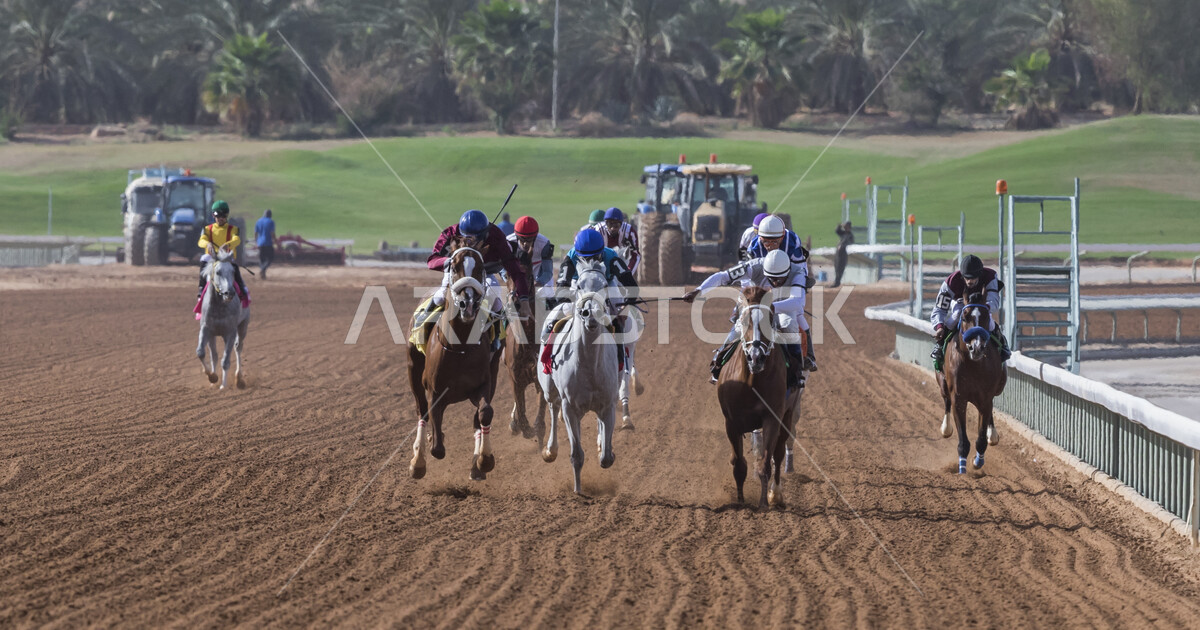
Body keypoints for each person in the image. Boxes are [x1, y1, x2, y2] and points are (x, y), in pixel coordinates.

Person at [682, 250, 810, 388]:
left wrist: (769, 307)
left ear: (788, 271)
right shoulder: (753, 266)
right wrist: (699, 290)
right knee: (739, 328)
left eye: (779, 279)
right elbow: (722, 277)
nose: (775, 282)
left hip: (783, 307)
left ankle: (797, 371)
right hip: (755, 306)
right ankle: (718, 362)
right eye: (771, 278)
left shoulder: (798, 272)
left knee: (790, 325)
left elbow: (797, 303)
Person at [418, 210, 532, 349]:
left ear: (485, 234)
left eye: (474, 239)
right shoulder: (450, 233)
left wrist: (524, 298)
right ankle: (423, 320)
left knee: (495, 298)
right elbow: (432, 260)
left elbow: (514, 270)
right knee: (442, 295)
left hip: (482, 272)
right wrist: (451, 261)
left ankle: (495, 335)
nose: (469, 242)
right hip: (456, 271)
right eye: (466, 238)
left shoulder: (496, 236)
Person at [541, 229, 639, 373]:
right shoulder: (571, 257)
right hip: (579, 285)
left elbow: (631, 284)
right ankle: (548, 336)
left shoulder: (611, 256)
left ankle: (620, 355)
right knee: (564, 309)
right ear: (578, 254)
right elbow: (562, 289)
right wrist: (578, 298)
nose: (590, 261)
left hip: (606, 284)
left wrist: (626, 302)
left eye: (595, 257)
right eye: (585, 258)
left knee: (617, 313)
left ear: (602, 251)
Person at [745, 215, 817, 371]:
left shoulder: (792, 242)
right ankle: (720, 359)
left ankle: (806, 357)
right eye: (766, 240)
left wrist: (802, 282)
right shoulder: (753, 246)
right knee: (742, 318)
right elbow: (751, 275)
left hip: (788, 278)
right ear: (759, 236)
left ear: (782, 235)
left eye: (775, 240)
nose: (770, 245)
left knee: (796, 315)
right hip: (764, 280)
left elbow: (799, 268)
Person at [930, 254, 1011, 364]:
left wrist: (983, 308)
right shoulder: (950, 282)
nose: (969, 281)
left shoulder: (990, 276)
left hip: (982, 303)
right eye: (967, 277)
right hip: (960, 302)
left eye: (973, 278)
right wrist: (939, 326)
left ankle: (1002, 343)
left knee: (988, 319)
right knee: (957, 314)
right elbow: (939, 308)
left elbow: (994, 302)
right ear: (962, 275)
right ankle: (940, 345)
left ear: (980, 274)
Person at [196, 200, 250, 310]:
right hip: (213, 260)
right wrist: (208, 244)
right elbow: (201, 241)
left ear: (227, 215)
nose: (221, 218)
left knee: (235, 273)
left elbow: (237, 240)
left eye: (223, 215)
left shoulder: (233, 229)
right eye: (218, 215)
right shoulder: (207, 229)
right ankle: (201, 289)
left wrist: (228, 244)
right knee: (204, 258)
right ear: (213, 215)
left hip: (227, 259)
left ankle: (242, 292)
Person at [507, 216, 555, 289]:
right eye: (522, 239)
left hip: (540, 277)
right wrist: (511, 280)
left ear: (535, 237)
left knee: (546, 294)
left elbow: (547, 272)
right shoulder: (508, 243)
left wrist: (537, 284)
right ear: (517, 236)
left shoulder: (544, 244)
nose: (525, 244)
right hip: (516, 275)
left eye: (529, 239)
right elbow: (503, 268)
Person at [593, 207, 641, 274]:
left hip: (621, 260)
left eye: (616, 225)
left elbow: (635, 255)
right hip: (601, 260)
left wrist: (629, 273)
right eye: (610, 224)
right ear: (605, 223)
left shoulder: (629, 232)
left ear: (621, 224)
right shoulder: (598, 231)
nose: (612, 228)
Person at [255, 209, 276, 279]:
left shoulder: (258, 221)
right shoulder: (271, 222)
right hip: (268, 242)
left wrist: (256, 241)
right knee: (270, 258)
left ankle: (263, 273)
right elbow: (272, 233)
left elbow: (256, 233)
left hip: (260, 242)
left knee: (262, 258)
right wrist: (275, 240)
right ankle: (263, 269)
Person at [832, 220, 853, 288]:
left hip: (843, 254)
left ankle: (837, 282)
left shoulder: (850, 235)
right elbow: (837, 231)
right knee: (836, 267)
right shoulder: (843, 233)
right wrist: (840, 225)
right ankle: (836, 281)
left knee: (840, 268)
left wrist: (842, 245)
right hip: (838, 253)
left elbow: (850, 242)